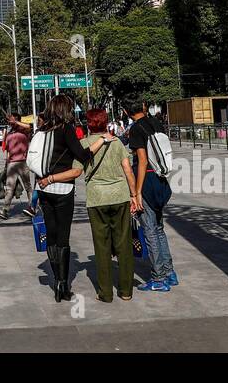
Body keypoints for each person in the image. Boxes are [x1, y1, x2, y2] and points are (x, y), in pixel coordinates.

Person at [28, 93, 114, 301]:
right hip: (63, 189)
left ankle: (56, 278)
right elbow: (82, 156)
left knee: (51, 234)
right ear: (65, 110)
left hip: (44, 189)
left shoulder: (43, 130)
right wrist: (102, 140)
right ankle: (63, 285)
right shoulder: (65, 129)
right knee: (63, 237)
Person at [74, 107, 137, 302]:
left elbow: (76, 170)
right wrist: (134, 194)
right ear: (105, 122)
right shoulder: (116, 142)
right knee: (124, 243)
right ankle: (126, 291)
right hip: (119, 196)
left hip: (96, 199)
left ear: (88, 123)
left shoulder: (83, 144)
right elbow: (128, 170)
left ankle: (106, 292)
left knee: (101, 246)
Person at [128, 104, 177, 291]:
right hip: (161, 179)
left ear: (126, 112)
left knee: (149, 230)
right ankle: (169, 272)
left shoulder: (135, 129)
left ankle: (158, 278)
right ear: (142, 105)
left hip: (146, 180)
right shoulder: (156, 122)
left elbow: (142, 160)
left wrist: (137, 192)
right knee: (159, 228)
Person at [0, 112, 35, 220]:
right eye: (10, 121)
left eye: (13, 120)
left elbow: (30, 126)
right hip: (11, 164)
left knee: (28, 187)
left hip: (22, 162)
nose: (10, 122)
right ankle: (5, 210)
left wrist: (16, 122)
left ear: (17, 120)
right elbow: (8, 151)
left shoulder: (24, 131)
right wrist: (7, 164)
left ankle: (32, 208)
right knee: (9, 188)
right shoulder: (9, 133)